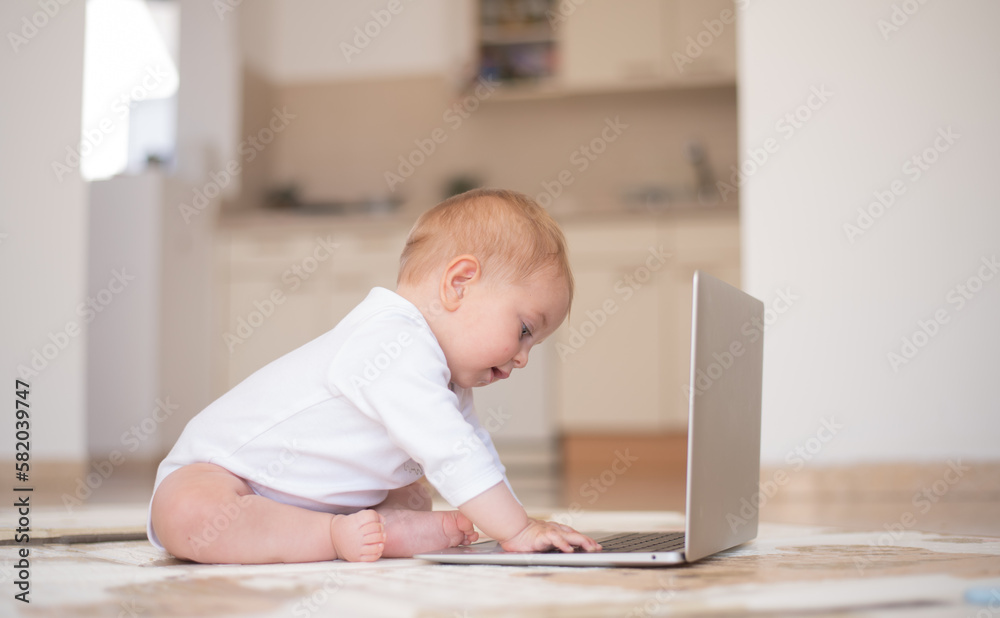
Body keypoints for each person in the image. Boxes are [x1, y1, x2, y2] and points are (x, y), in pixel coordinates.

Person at [148, 188, 601, 564]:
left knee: (410, 489)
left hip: (313, 495)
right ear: (458, 283)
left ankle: (381, 526)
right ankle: (332, 536)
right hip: (223, 476)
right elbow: (452, 452)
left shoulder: (445, 375)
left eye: (533, 345)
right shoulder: (392, 342)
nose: (523, 357)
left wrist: (515, 516)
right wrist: (518, 528)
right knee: (186, 513)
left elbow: (473, 449)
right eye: (524, 330)